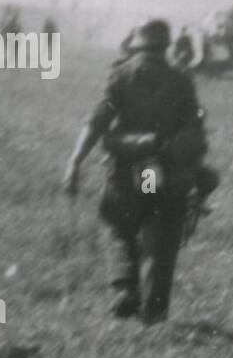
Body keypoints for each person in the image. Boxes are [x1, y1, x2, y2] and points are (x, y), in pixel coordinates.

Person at [62, 18, 209, 324]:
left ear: (138, 44)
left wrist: (75, 161)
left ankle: (125, 289)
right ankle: (154, 313)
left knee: (119, 226)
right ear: (166, 45)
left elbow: (97, 121)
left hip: (129, 168)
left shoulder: (122, 74)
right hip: (162, 170)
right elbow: (195, 130)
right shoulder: (181, 80)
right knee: (162, 235)